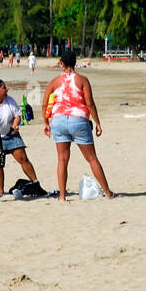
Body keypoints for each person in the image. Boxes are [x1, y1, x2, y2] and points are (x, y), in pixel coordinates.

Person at [43, 49, 114, 201]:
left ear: (61, 63)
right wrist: (97, 123)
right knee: (92, 158)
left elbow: (45, 104)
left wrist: (46, 123)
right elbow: (90, 103)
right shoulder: (82, 80)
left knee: (62, 159)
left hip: (59, 120)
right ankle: (108, 193)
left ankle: (62, 196)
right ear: (75, 63)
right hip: (78, 120)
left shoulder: (55, 82)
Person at [0, 78, 42, 190]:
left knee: (23, 159)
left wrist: (15, 124)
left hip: (11, 134)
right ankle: (1, 191)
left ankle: (35, 183)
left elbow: (17, 115)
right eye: (4, 88)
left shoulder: (9, 100)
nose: (7, 89)